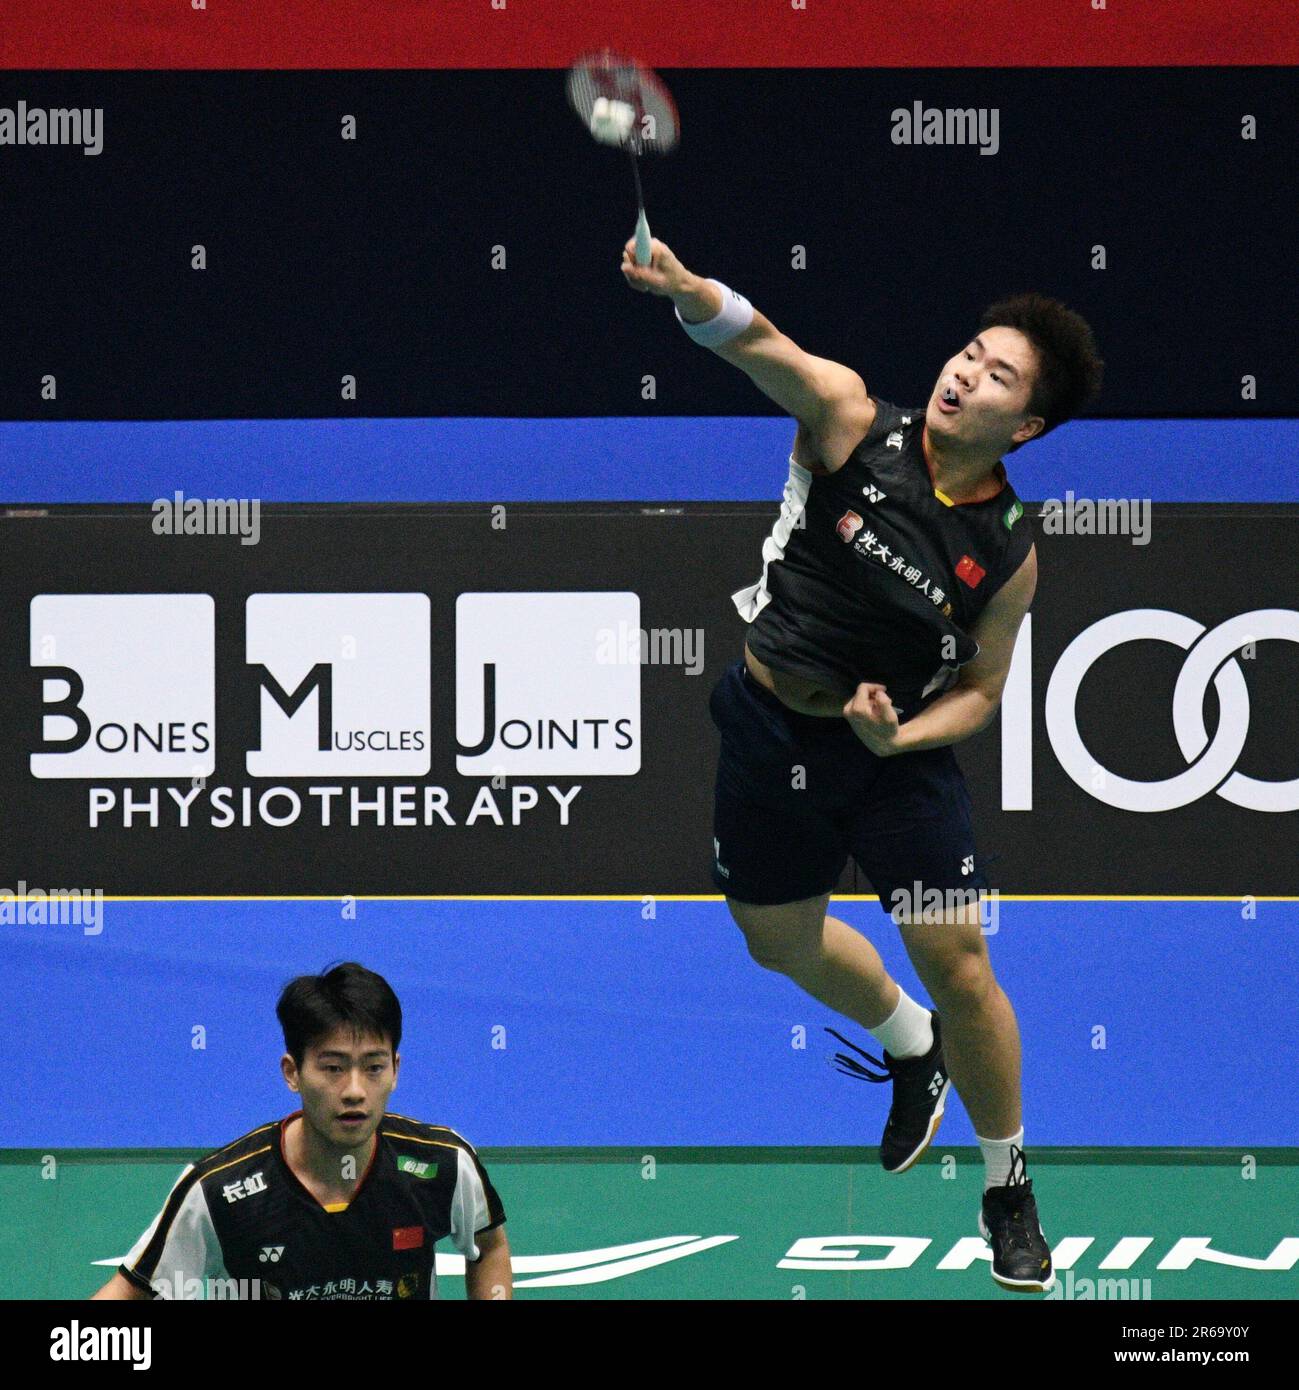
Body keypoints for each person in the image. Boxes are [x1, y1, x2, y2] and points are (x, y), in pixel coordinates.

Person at [622, 237, 1103, 1293]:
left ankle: (1006, 1184)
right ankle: (905, 1041)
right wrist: (691, 289)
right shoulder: (849, 418)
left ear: (1024, 426)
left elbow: (981, 688)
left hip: (893, 767)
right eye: (970, 352)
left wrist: (902, 738)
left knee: (962, 962)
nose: (964, 373)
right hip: (770, 728)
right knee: (776, 941)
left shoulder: (1010, 552)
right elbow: (758, 345)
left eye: (997, 375)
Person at [91, 961, 510, 1301]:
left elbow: (488, 1246)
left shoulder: (442, 1163)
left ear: (395, 1070)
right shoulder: (220, 1191)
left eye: (373, 1067)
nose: (354, 1091)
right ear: (292, 1072)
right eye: (333, 1068)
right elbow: (131, 1293)